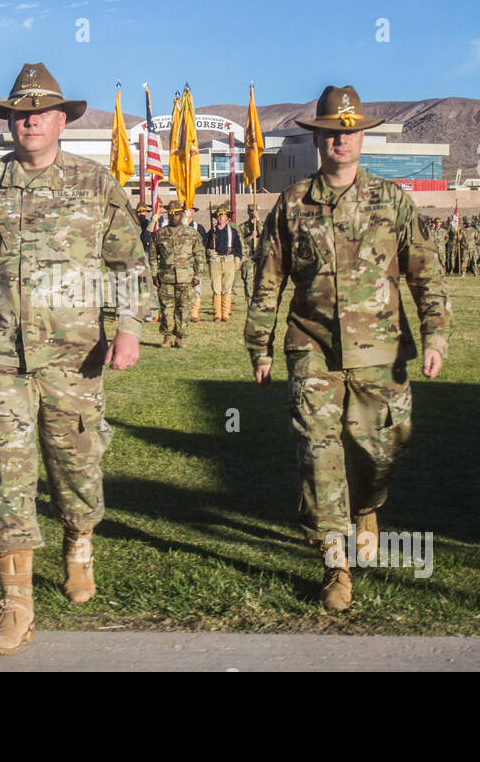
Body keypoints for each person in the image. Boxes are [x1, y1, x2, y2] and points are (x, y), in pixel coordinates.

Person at [0, 63, 154, 655]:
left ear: (60, 120)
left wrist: (128, 327)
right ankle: (16, 602)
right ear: (10, 121)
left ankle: (79, 540)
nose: (30, 122)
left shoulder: (95, 184)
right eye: (20, 113)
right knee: (9, 468)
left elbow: (128, 263)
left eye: (41, 113)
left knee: (76, 464)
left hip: (75, 356)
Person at [244, 85, 451, 612]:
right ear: (319, 139)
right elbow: (269, 279)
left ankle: (369, 507)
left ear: (361, 138)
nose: (341, 140)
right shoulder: (291, 204)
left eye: (350, 131)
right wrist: (260, 346)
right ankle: (335, 565)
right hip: (311, 347)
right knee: (319, 453)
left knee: (381, 449)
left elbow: (425, 271)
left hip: (381, 350)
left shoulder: (392, 201)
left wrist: (436, 334)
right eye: (332, 132)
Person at [150, 199, 206, 346]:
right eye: (171, 214)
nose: (174, 217)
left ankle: (180, 337)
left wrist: (197, 275)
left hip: (186, 278)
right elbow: (152, 256)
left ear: (182, 215)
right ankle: (167, 336)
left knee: (184, 308)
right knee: (167, 308)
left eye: (177, 214)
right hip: (165, 277)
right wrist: (154, 274)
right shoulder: (160, 234)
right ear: (168, 215)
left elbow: (200, 255)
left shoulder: (191, 233)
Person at [205, 205, 242, 321]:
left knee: (227, 288)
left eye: (224, 216)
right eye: (219, 216)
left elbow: (238, 248)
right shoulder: (211, 232)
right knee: (216, 288)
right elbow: (205, 247)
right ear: (216, 218)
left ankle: (225, 314)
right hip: (215, 262)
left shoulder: (233, 232)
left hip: (228, 261)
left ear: (227, 218)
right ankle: (217, 313)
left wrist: (237, 258)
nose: (221, 218)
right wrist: (209, 252)